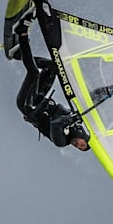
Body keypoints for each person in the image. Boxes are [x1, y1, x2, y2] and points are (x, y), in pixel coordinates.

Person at [12, 11, 90, 152]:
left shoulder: (61, 141)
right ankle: (19, 53)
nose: (77, 145)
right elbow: (88, 100)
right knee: (53, 67)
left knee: (34, 73)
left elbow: (55, 124)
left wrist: (70, 118)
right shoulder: (76, 123)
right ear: (84, 138)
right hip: (40, 97)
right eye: (82, 144)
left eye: (79, 148)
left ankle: (22, 33)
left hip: (28, 106)